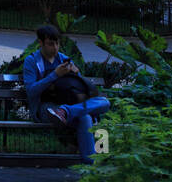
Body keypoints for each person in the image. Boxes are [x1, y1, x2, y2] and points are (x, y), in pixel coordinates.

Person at [23, 24, 110, 165]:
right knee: (87, 117)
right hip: (47, 109)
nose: (55, 48)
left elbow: (80, 88)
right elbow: (31, 91)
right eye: (51, 44)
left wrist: (77, 75)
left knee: (105, 103)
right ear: (40, 43)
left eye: (57, 43)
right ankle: (93, 167)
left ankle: (65, 111)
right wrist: (54, 75)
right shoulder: (32, 61)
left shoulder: (64, 59)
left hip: (69, 106)